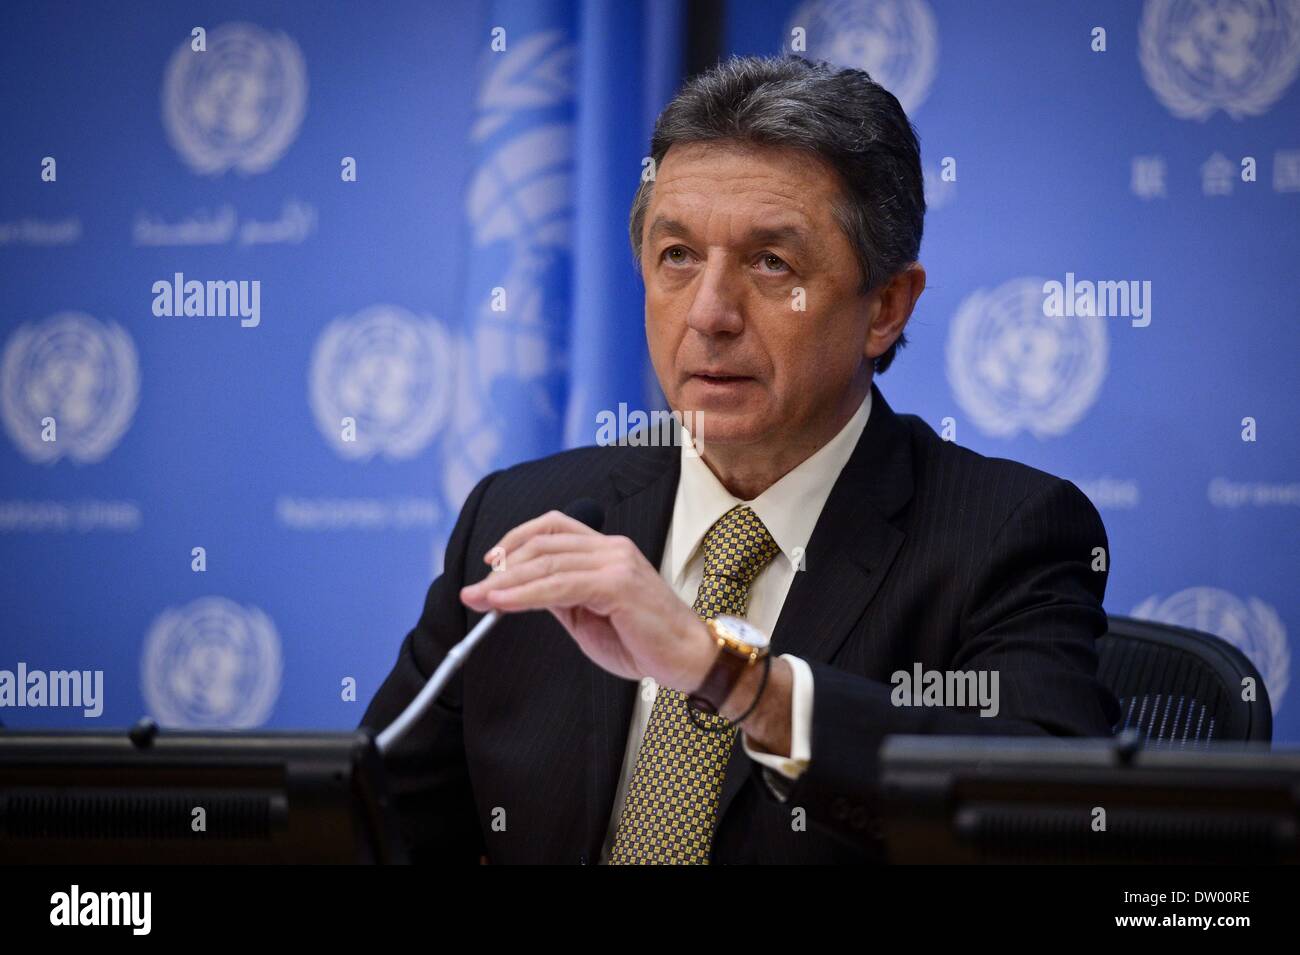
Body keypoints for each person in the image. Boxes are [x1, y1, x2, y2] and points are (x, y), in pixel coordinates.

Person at [361, 54, 1119, 865]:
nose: (710, 315)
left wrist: (735, 679)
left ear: (886, 309)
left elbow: (1050, 822)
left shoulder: (1005, 535)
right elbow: (373, 825)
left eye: (771, 264)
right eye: (678, 255)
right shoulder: (527, 516)